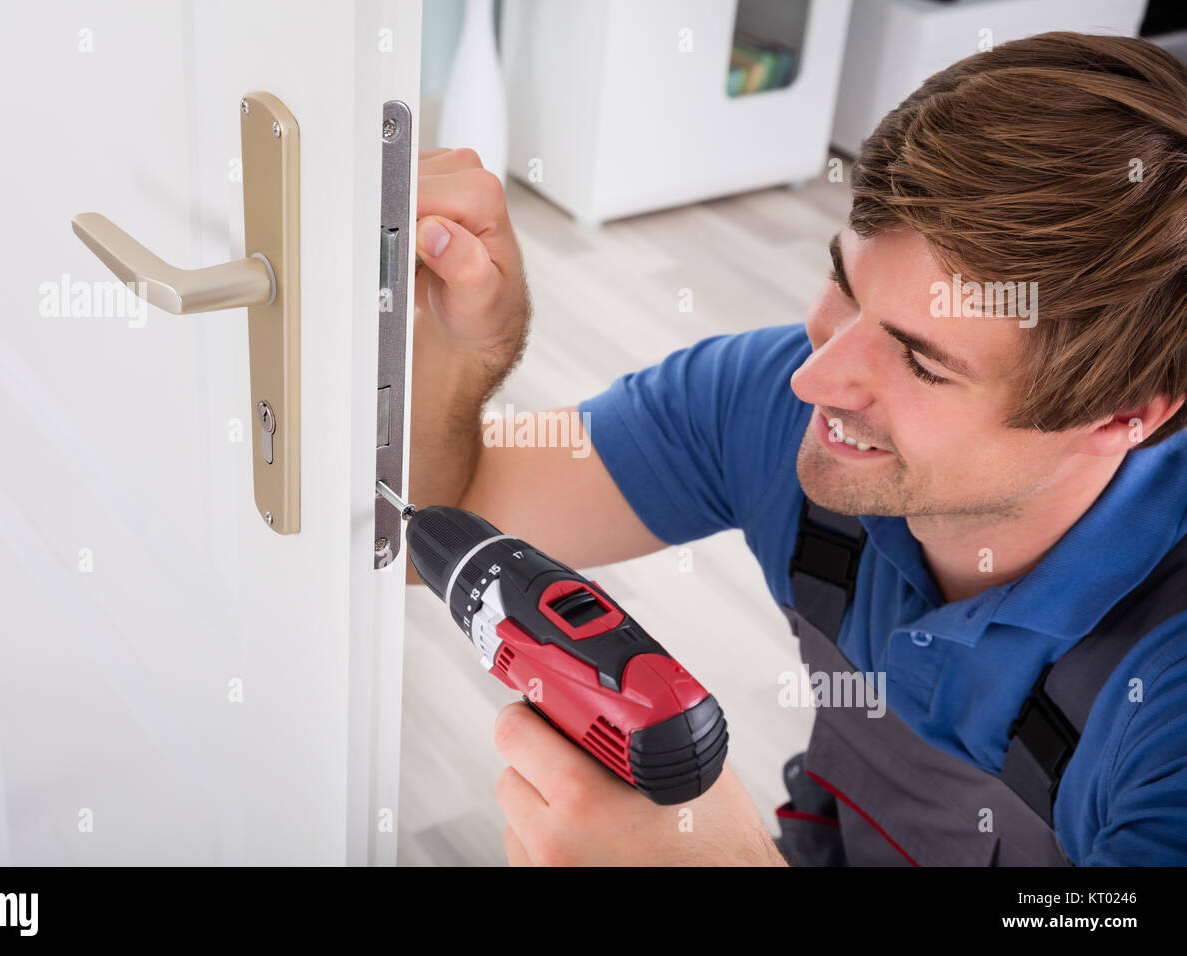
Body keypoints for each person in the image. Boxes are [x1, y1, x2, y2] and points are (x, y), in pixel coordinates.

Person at [406, 32, 1187, 866]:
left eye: (922, 362)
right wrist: (463, 352)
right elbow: (435, 532)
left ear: (1118, 417)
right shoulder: (772, 398)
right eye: (845, 287)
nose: (817, 379)